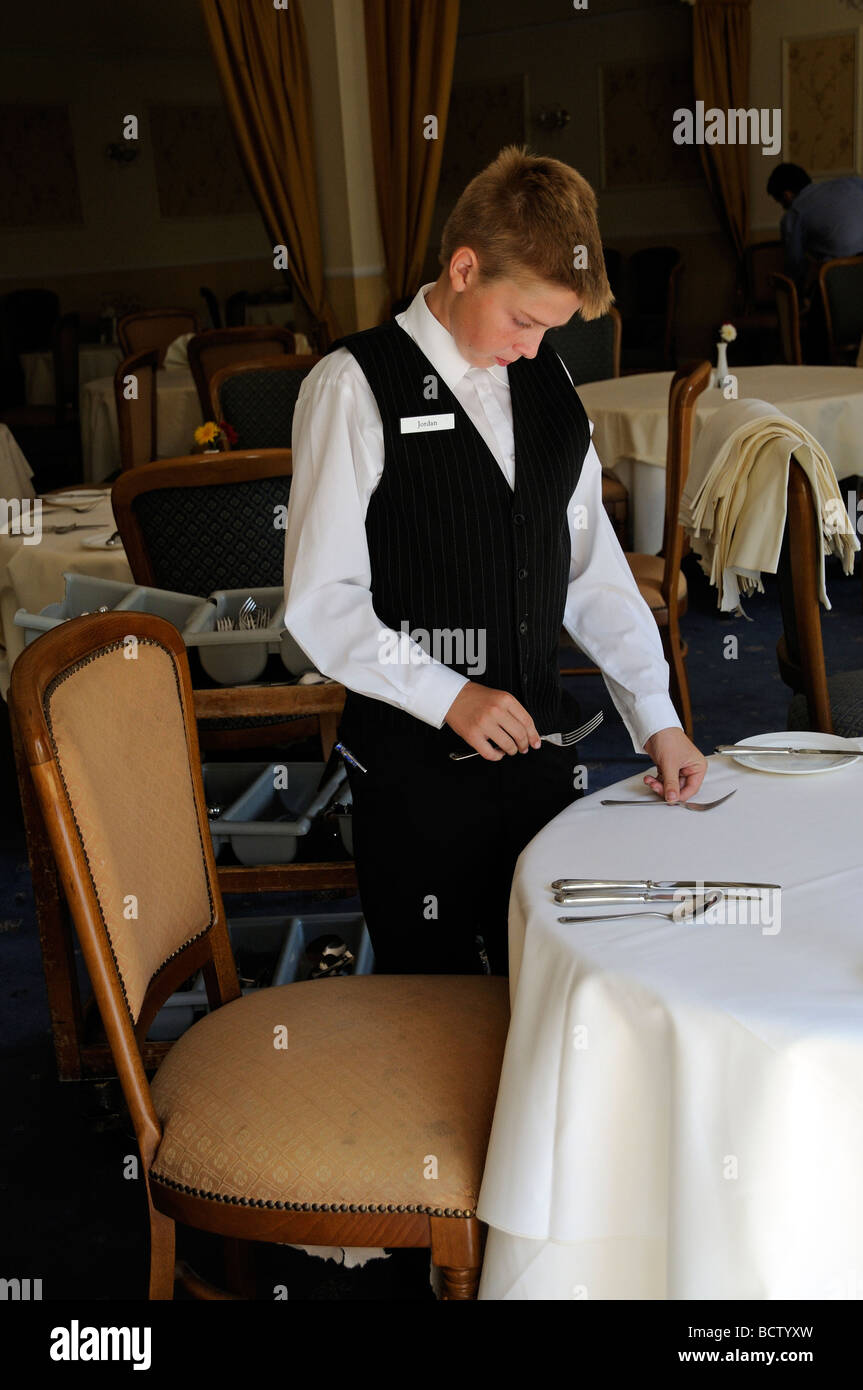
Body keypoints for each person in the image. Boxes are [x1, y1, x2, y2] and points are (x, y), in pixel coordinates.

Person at [283, 145, 707, 976]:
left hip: (541, 762)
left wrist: (654, 715)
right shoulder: (352, 386)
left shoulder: (545, 380)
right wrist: (451, 695)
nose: (532, 347)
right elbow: (321, 599)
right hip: (414, 779)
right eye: (523, 320)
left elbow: (588, 570)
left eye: (551, 329)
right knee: (433, 1001)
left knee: (547, 975)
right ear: (464, 267)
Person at [767, 162, 863, 292]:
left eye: (780, 203)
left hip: (846, 277)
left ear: (787, 195)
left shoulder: (794, 214)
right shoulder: (851, 182)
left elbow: (795, 267)